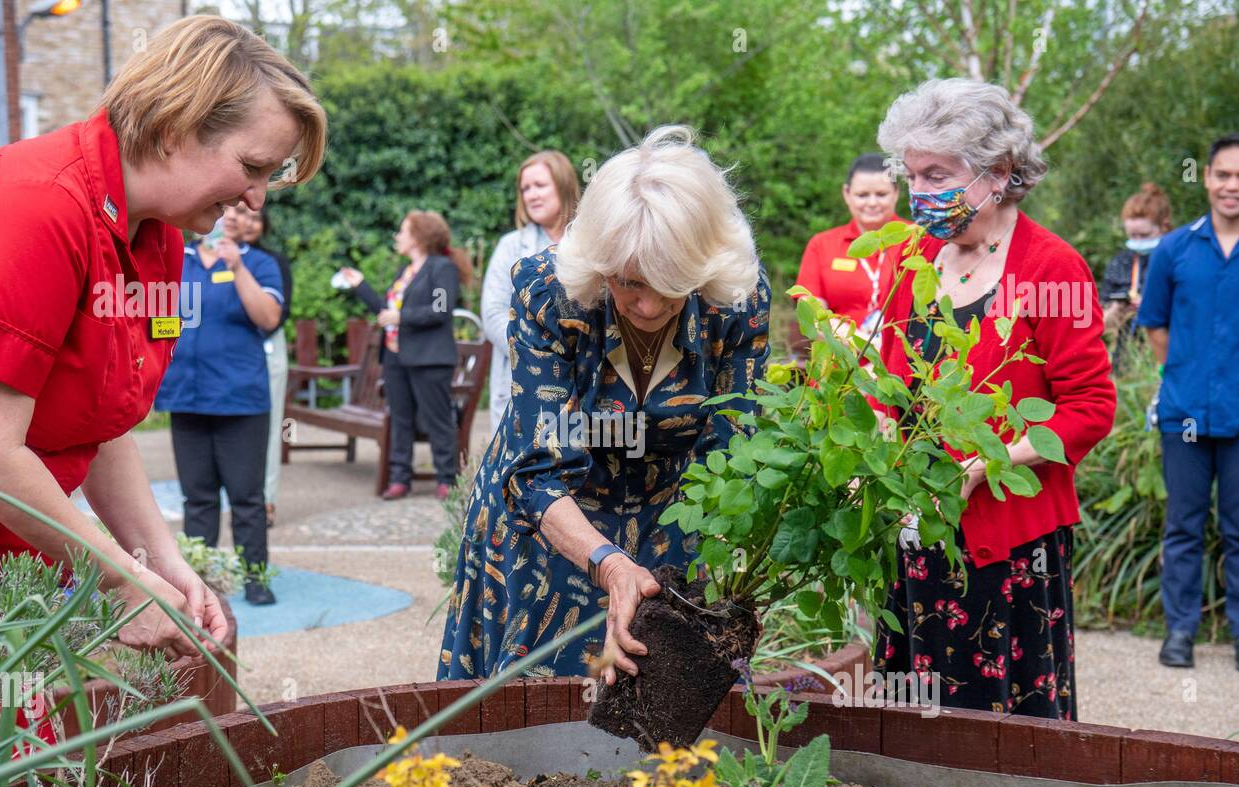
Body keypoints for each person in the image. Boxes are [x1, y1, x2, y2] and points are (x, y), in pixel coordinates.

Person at [0, 15, 325, 752]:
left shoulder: (160, 235)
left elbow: (102, 419)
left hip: (13, 545)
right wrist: (116, 580)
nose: (257, 199)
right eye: (252, 166)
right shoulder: (36, 206)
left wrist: (160, 564)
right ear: (177, 126)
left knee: (17, 762)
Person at [437, 125, 771, 683]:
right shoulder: (550, 293)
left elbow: (733, 451)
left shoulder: (736, 300)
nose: (647, 305)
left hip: (672, 509)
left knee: (669, 696)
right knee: (537, 709)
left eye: (671, 284)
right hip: (551, 512)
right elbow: (538, 466)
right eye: (629, 282)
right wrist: (609, 562)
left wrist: (723, 570)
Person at [868, 78, 1115, 720]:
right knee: (913, 722)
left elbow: (1090, 407)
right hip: (917, 531)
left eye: (938, 174)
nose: (920, 193)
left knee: (1002, 732)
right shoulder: (909, 258)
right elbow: (890, 389)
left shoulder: (1050, 268)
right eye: (913, 174)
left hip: (1006, 541)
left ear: (999, 172)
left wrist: (986, 464)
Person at [1137, 132, 1239, 670]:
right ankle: (1180, 632)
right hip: (1186, 417)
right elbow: (1154, 323)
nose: (1232, 186)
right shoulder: (1175, 249)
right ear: (1206, 177)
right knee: (1183, 526)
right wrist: (1185, 371)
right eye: (1224, 174)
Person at [155, 209, 287, 605]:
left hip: (241, 399)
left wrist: (238, 266)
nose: (228, 218)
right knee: (198, 498)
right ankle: (202, 580)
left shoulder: (260, 263)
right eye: (222, 210)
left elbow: (268, 318)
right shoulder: (178, 260)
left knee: (247, 498)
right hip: (188, 397)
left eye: (237, 215)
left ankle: (256, 579)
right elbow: (163, 320)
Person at [340, 211, 469, 501]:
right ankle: (400, 478)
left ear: (419, 236)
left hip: (430, 359)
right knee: (400, 419)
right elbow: (387, 314)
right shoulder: (404, 272)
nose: (397, 236)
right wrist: (360, 285)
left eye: (402, 231)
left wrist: (401, 316)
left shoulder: (441, 268)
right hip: (396, 358)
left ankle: (447, 478)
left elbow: (440, 309)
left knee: (437, 419)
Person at [480, 151, 581, 435]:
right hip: (524, 378)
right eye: (525, 188)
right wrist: (535, 353)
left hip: (583, 380)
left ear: (563, 185)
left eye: (540, 185)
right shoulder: (511, 246)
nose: (531, 195)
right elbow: (492, 314)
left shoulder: (589, 242)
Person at [792, 153, 904, 359]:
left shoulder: (917, 239)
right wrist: (870, 349)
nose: (872, 203)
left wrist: (888, 360)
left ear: (896, 193)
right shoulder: (822, 244)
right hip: (838, 367)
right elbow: (812, 314)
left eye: (881, 194)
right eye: (862, 195)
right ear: (847, 194)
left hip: (900, 368)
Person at [226, 202, 292, 528]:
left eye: (256, 219)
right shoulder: (215, 258)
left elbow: (280, 312)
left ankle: (265, 498)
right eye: (244, 217)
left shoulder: (272, 262)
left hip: (267, 349)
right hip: (230, 357)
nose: (249, 224)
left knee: (270, 427)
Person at [1100, 183, 1172, 373]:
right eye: (1132, 235)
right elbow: (1101, 323)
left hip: (1168, 353)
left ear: (1164, 226)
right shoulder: (1122, 262)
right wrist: (1114, 312)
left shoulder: (1178, 258)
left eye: (1145, 235)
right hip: (1127, 360)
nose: (1138, 242)